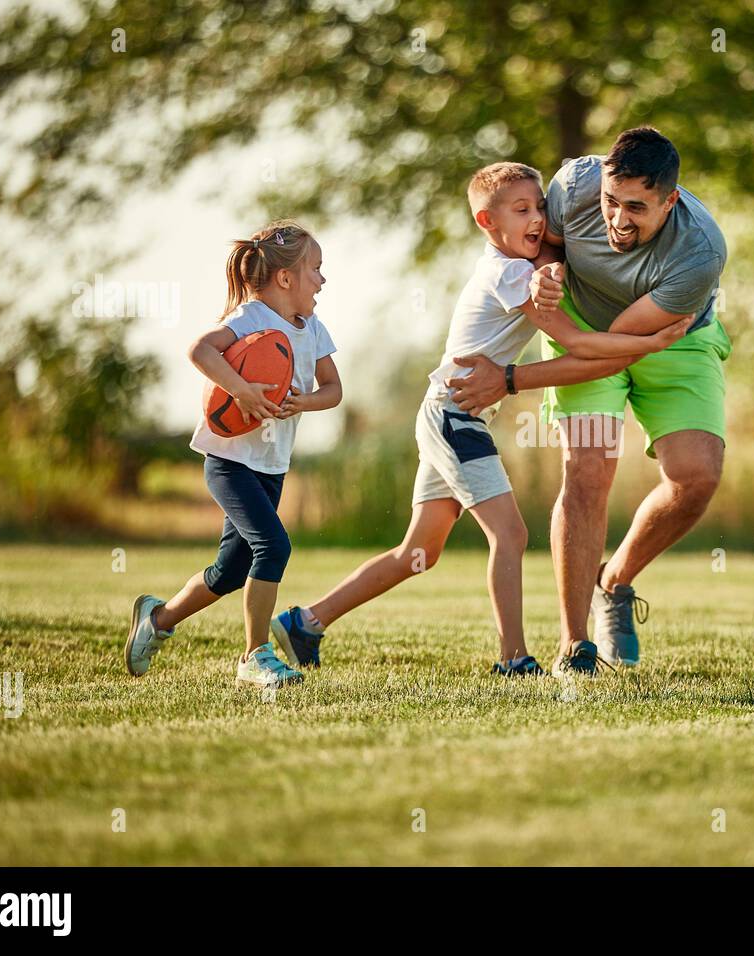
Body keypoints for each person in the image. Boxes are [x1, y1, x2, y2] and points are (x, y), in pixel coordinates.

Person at [270, 162, 688, 676]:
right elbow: (578, 343)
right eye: (522, 210)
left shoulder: (520, 266)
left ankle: (304, 622)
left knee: (418, 550)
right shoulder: (510, 273)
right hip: (454, 416)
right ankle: (514, 658)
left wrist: (557, 270)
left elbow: (564, 287)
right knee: (509, 535)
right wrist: (651, 340)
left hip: (450, 414)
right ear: (488, 223)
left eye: (540, 207)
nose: (538, 219)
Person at [447, 128, 731, 678]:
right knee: (588, 472)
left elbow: (613, 354)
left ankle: (615, 581)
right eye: (610, 201)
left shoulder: (699, 255)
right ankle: (575, 645)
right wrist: (549, 268)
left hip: (668, 339)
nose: (617, 220)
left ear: (670, 201)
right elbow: (542, 238)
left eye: (635, 209)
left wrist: (507, 379)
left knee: (696, 475)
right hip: (585, 329)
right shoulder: (576, 182)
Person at [124, 220, 342, 690]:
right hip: (229, 463)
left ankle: (158, 618)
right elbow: (200, 349)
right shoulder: (252, 318)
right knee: (274, 545)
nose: (323, 280)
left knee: (230, 572)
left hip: (271, 467)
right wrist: (240, 389)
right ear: (285, 278)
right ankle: (255, 657)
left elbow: (334, 390)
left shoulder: (314, 328)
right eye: (316, 269)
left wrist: (304, 401)